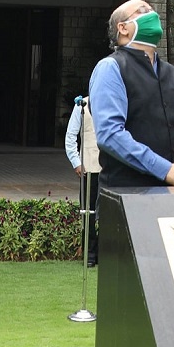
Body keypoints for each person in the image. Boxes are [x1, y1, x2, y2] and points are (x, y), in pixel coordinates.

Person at [88, 0, 174, 191]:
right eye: (143, 11)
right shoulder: (111, 68)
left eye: (152, 10)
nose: (153, 14)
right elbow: (110, 134)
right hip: (128, 196)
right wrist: (165, 170)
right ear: (123, 28)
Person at [64, 95, 100, 265]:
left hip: (111, 167)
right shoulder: (81, 105)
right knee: (88, 212)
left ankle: (107, 252)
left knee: (110, 212)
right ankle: (90, 253)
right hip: (89, 167)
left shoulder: (116, 99)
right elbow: (70, 135)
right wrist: (76, 161)